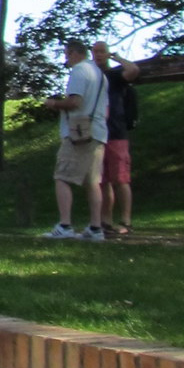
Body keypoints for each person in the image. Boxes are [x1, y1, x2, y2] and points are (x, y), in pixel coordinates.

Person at [42, 36, 108, 239]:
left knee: (62, 177)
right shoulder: (100, 75)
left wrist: (53, 103)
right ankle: (96, 228)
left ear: (73, 53)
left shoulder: (79, 71)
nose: (66, 59)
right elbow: (105, 109)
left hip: (78, 133)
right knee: (92, 181)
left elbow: (75, 102)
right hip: (98, 132)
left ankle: (65, 225)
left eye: (67, 55)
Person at [91, 39, 141, 238]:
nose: (98, 54)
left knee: (120, 179)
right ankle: (106, 221)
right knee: (102, 181)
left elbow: (134, 70)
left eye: (102, 51)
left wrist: (117, 58)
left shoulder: (115, 75)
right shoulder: (92, 77)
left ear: (107, 53)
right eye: (95, 51)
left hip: (116, 133)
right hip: (97, 134)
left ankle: (126, 221)